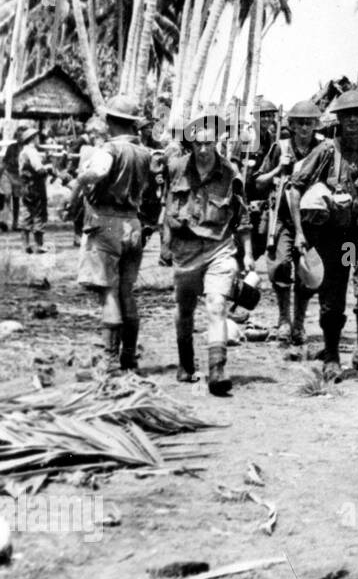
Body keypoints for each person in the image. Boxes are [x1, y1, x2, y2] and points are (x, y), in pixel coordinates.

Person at [286, 89, 358, 384]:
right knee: (334, 295)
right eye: (346, 115)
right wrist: (299, 232)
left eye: (357, 115)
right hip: (337, 239)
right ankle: (333, 355)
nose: (352, 120)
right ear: (338, 119)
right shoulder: (326, 151)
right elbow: (295, 187)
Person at [162, 105, 256, 396]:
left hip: (219, 247)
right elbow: (167, 206)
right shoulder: (177, 168)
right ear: (190, 143)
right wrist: (165, 243)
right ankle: (186, 363)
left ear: (217, 142)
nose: (203, 149)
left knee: (216, 304)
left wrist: (249, 255)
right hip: (186, 249)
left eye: (208, 143)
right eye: (198, 143)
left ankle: (217, 370)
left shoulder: (230, 173)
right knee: (185, 310)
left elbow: (243, 219)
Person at [68, 96, 156, 372]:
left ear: (111, 121)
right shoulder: (144, 153)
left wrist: (80, 181)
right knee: (127, 293)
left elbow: (99, 171)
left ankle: (108, 360)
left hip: (105, 223)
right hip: (132, 224)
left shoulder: (109, 149)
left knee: (108, 293)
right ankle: (129, 356)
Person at [253, 99, 322, 346]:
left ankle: (300, 323)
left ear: (316, 124)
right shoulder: (280, 148)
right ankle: (284, 319)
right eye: (299, 123)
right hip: (282, 218)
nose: (304, 128)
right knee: (280, 265)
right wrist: (277, 171)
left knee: (308, 272)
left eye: (309, 123)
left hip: (312, 221)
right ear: (291, 125)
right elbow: (258, 181)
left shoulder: (323, 149)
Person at [246, 96, 280, 260]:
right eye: (263, 115)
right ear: (255, 116)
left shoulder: (271, 139)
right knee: (244, 240)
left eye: (270, 115)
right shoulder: (247, 137)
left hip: (262, 196)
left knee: (260, 240)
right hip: (245, 195)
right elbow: (236, 167)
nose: (267, 119)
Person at [16, 125, 50, 253]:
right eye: (37, 137)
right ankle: (38, 245)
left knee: (26, 214)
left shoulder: (23, 152)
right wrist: (49, 169)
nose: (39, 139)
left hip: (25, 186)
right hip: (36, 186)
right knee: (39, 214)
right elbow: (39, 170)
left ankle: (25, 245)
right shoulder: (32, 151)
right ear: (33, 138)